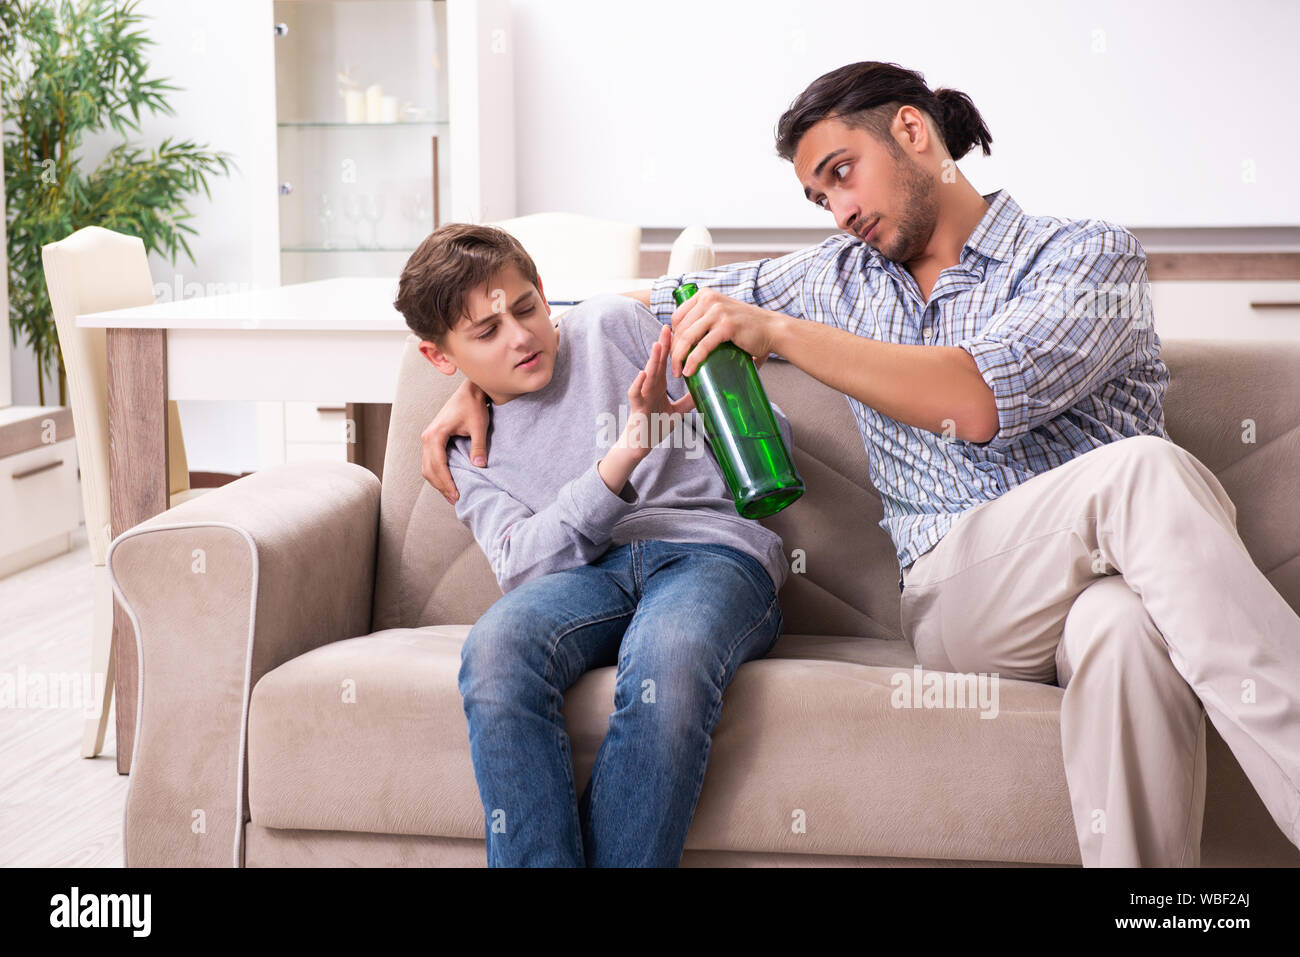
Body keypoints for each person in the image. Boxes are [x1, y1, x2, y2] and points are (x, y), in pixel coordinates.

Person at [418, 62, 1300, 867]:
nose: (837, 210)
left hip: (1104, 568)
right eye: (817, 195)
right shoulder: (838, 276)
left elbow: (980, 399)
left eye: (841, 172)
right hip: (963, 597)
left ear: (914, 133)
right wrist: (481, 384)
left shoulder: (1086, 257)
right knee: (1144, 472)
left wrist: (785, 333)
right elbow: (641, 301)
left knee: (1123, 627)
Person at [393, 222, 793, 866]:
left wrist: (723, 403)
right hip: (587, 577)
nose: (520, 336)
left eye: (525, 309)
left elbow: (770, 440)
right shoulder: (462, 451)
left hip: (709, 553)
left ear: (543, 294)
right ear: (441, 358)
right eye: (487, 333)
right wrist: (628, 448)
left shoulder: (611, 325)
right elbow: (524, 565)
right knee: (496, 648)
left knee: (672, 654)